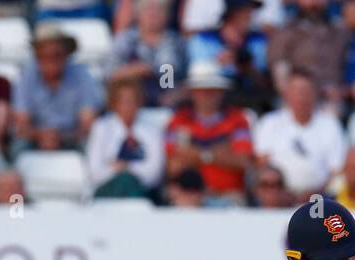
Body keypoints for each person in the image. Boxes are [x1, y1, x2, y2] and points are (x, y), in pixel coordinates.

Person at [163, 60, 253, 206]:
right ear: (192, 92)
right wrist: (220, 153)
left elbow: (243, 161)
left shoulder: (238, 120)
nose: (207, 95)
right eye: (202, 90)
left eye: (213, 90)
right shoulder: (178, 121)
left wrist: (196, 153)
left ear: (221, 92)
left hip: (230, 196)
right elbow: (174, 166)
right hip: (188, 197)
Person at [254, 69, 346, 199]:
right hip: (278, 197)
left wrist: (316, 194)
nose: (302, 96)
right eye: (297, 91)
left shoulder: (330, 124)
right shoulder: (270, 123)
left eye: (306, 91)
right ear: (286, 94)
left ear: (315, 94)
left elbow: (336, 170)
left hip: (320, 200)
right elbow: (261, 164)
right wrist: (282, 193)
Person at [11, 25, 102, 151]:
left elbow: (88, 123)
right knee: (18, 147)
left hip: (71, 137)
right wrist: (41, 135)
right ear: (38, 56)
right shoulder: (26, 76)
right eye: (45, 55)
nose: (52, 59)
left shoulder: (81, 75)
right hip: (36, 137)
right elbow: (21, 123)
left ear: (66, 55)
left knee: (92, 146)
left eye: (57, 54)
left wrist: (61, 137)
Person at [186, 0, 272, 112]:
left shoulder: (258, 40)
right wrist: (217, 63)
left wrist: (248, 68)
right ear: (232, 14)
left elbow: (264, 81)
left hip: (250, 95)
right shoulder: (204, 39)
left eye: (250, 11)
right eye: (244, 12)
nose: (249, 15)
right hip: (215, 93)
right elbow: (198, 74)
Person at [87, 77, 165, 198]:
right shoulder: (101, 128)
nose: (128, 106)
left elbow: (155, 173)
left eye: (132, 101)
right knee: (124, 182)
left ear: (139, 103)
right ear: (114, 104)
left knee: (128, 182)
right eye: (123, 101)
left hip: (142, 191)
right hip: (109, 190)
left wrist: (125, 167)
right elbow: (95, 172)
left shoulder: (152, 131)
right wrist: (125, 172)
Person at [267, 0, 351, 108]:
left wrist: (342, 91)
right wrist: (295, 94)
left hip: (333, 99)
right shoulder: (285, 33)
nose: (314, 3)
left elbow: (352, 68)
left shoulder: (341, 32)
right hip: (296, 99)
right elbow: (279, 73)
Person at [109, 0, 185, 108]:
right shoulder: (125, 40)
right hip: (131, 108)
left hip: (168, 107)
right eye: (148, 9)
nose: (153, 14)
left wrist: (176, 95)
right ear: (137, 14)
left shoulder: (176, 42)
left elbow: (186, 80)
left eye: (159, 10)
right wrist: (138, 70)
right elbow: (111, 75)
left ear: (167, 15)